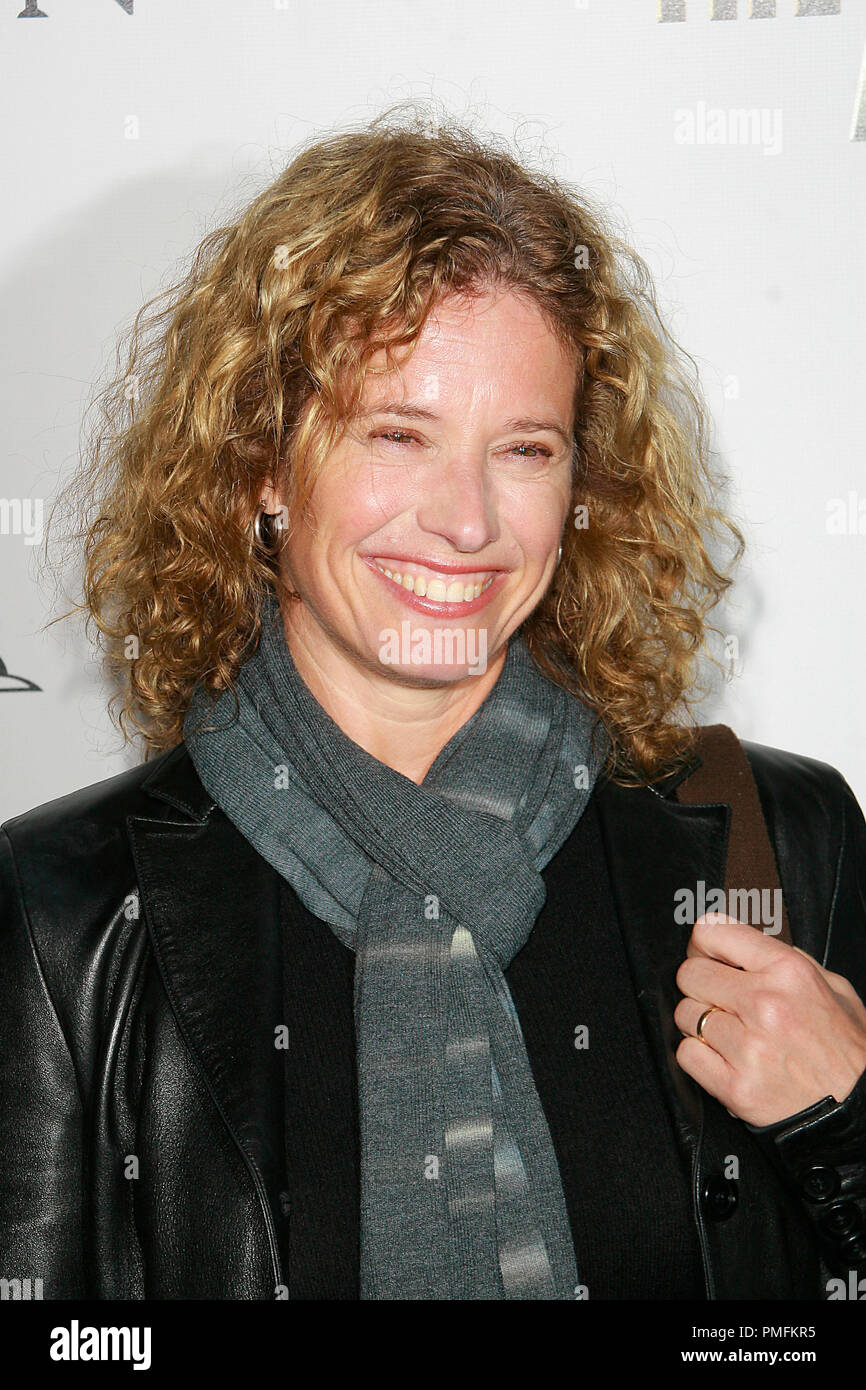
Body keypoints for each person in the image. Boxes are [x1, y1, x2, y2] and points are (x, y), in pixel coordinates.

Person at [2, 112, 865, 1302]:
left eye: (523, 449)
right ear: (261, 464)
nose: (465, 521)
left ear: (582, 483)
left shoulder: (778, 837)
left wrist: (845, 1126)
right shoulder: (67, 915)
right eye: (398, 433)